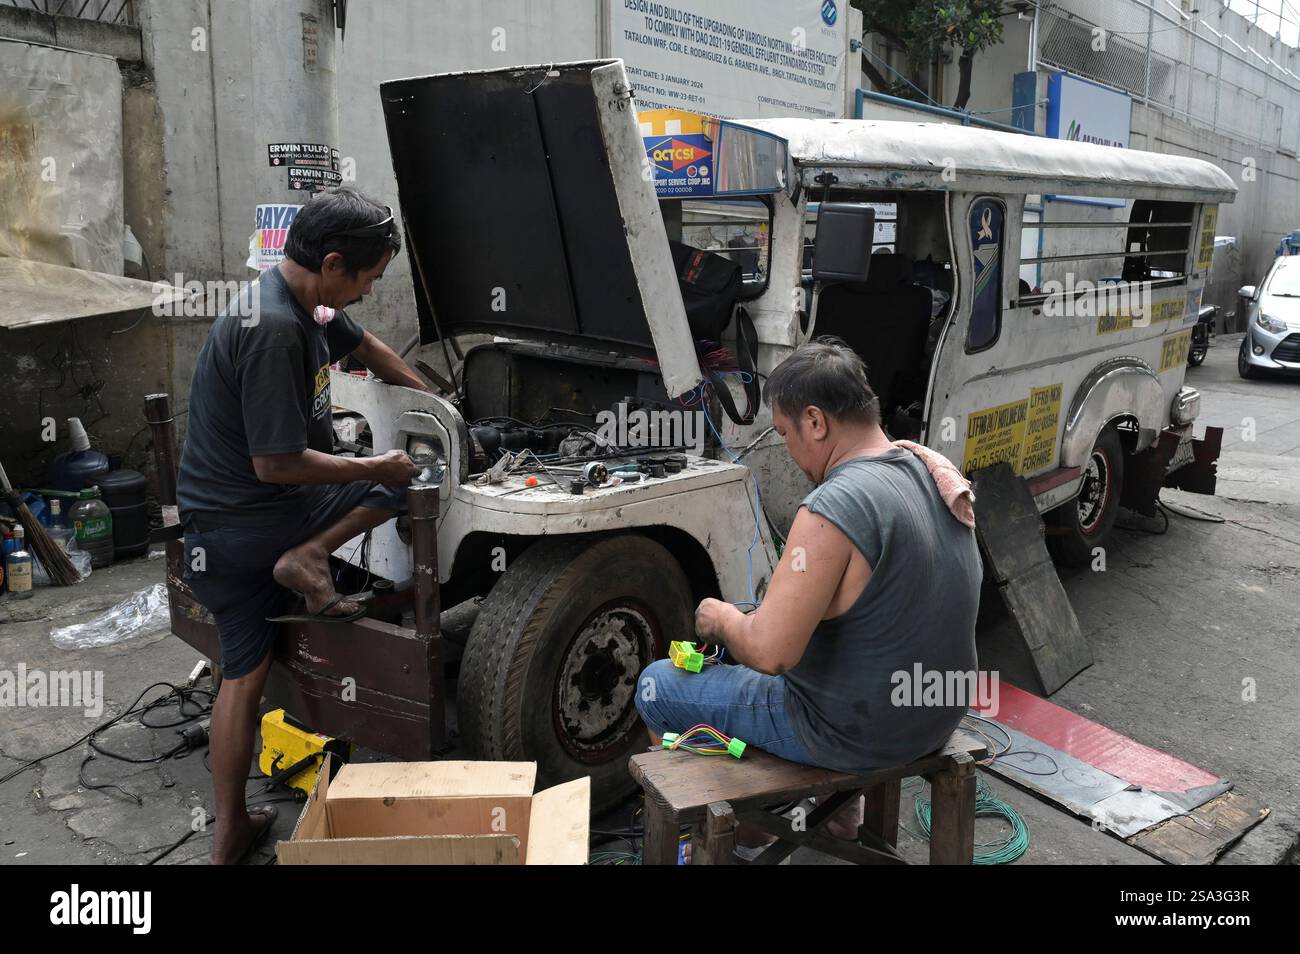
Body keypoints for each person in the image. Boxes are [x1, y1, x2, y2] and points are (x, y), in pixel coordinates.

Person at [635, 338, 981, 842]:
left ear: (816, 422)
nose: (791, 452)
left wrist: (724, 621)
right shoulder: (928, 471)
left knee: (659, 684)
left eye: (785, 433)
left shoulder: (835, 504)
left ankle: (739, 836)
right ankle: (838, 819)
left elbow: (772, 654)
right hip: (935, 714)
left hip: (856, 732)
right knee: (786, 630)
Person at [177, 186, 427, 863]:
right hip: (252, 518)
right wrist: (377, 462)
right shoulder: (278, 330)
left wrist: (437, 403)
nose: (368, 293)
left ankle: (230, 830)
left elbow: (368, 346)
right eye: (368, 280)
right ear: (336, 262)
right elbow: (277, 464)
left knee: (242, 676)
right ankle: (308, 558)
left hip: (214, 526)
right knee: (396, 486)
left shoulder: (299, 298)